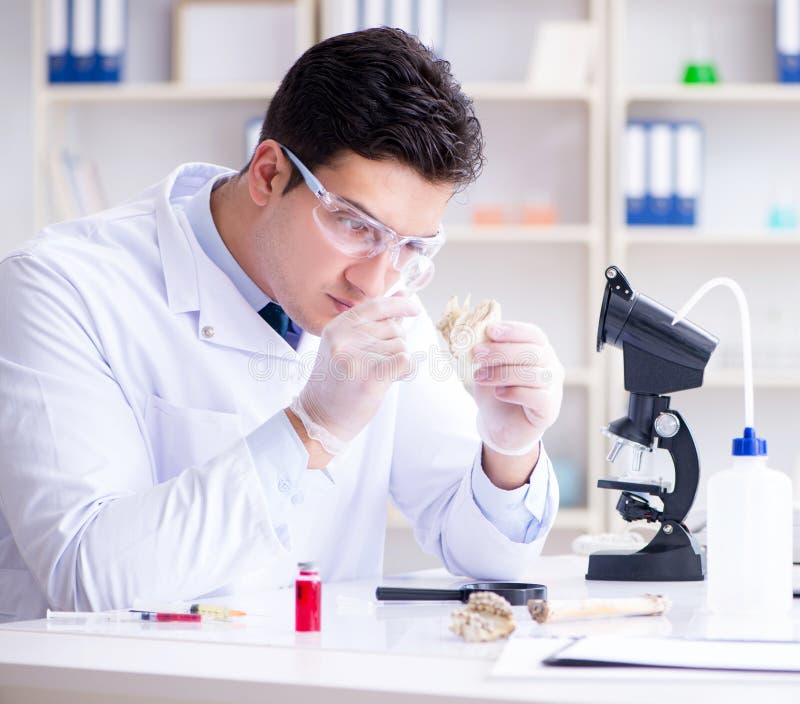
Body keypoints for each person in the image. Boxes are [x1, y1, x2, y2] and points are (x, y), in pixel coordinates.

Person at [0, 28, 562, 621]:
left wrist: (509, 453)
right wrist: (308, 431)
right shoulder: (58, 288)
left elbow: (484, 557)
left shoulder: (382, 291)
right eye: (355, 225)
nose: (376, 281)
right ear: (269, 173)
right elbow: (87, 581)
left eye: (410, 246)